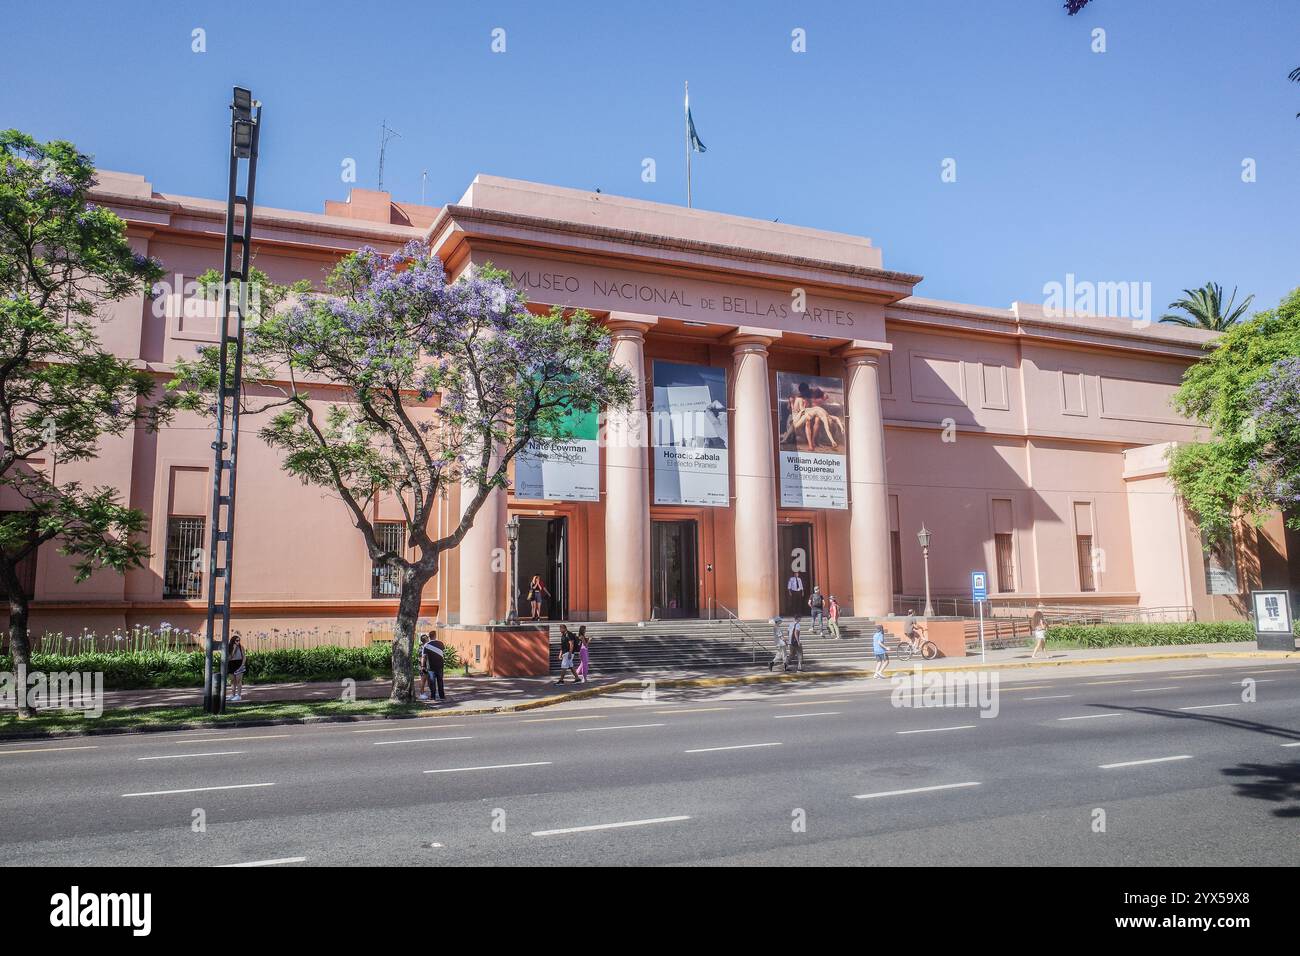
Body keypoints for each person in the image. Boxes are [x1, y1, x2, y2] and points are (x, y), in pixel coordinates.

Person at [422, 632, 447, 701]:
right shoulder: (441, 643)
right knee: (440, 681)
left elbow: (423, 657)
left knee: (432, 682)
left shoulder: (426, 645)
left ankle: (433, 697)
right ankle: (442, 696)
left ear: (429, 637)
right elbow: (443, 652)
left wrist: (423, 666)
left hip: (431, 667)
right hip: (440, 666)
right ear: (435, 636)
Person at [227, 632, 247, 701]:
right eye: (237, 640)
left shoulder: (241, 647)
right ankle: (232, 695)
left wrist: (242, 665)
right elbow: (229, 658)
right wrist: (234, 649)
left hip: (239, 663)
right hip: (231, 664)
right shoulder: (229, 647)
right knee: (232, 680)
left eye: (239, 640)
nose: (238, 642)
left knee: (239, 680)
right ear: (233, 641)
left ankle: (239, 695)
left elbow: (244, 657)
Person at [417, 632, 432, 700]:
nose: (428, 639)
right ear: (425, 640)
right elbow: (421, 658)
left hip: (427, 666)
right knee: (423, 680)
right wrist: (423, 666)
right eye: (427, 638)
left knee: (429, 680)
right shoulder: (421, 648)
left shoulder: (425, 647)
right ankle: (421, 694)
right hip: (423, 666)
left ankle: (429, 693)